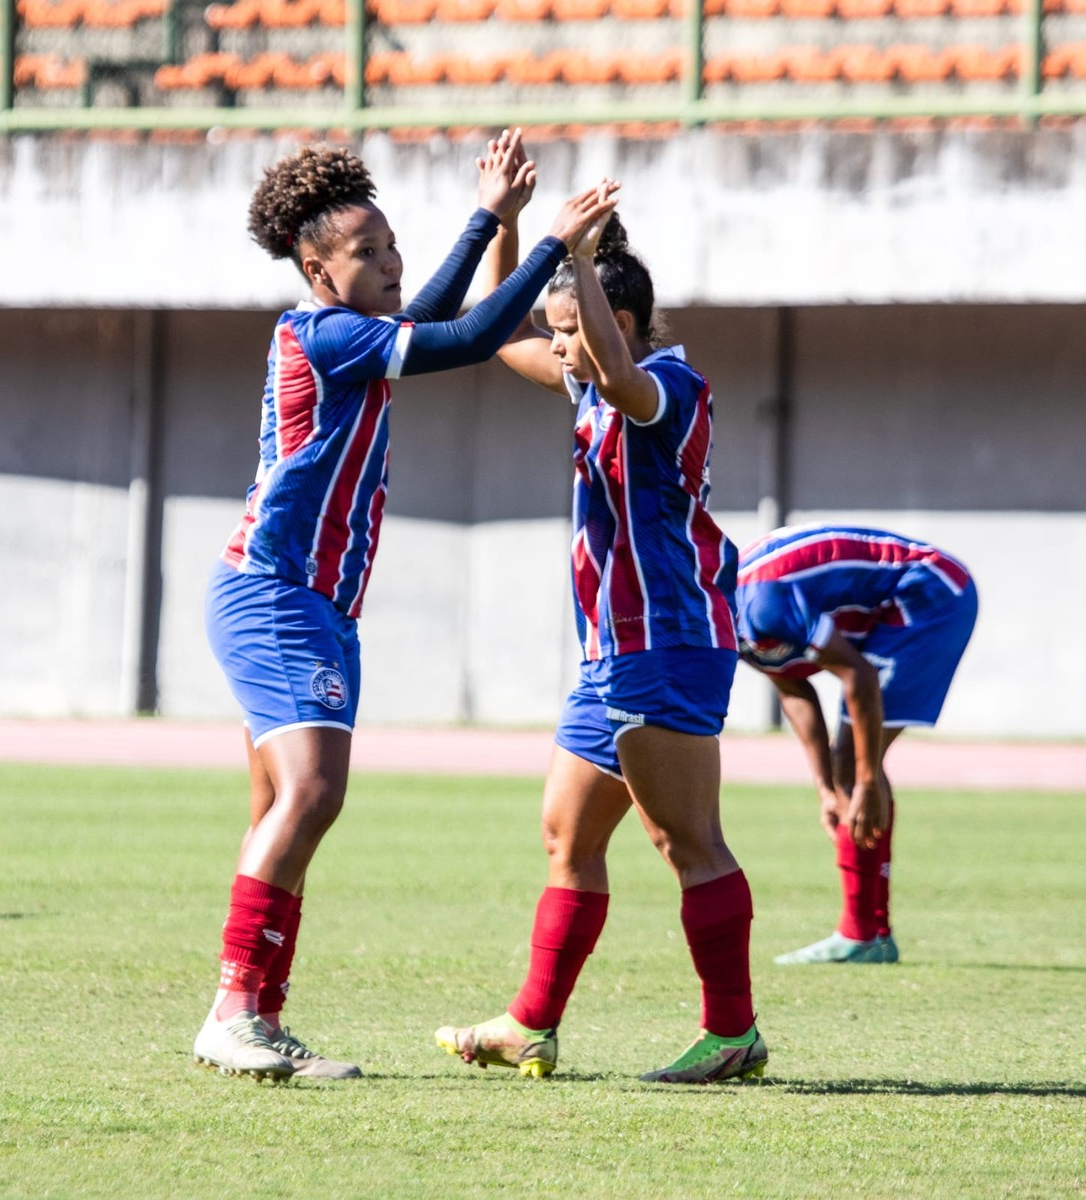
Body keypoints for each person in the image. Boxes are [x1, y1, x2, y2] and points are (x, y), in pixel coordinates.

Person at [195, 132, 617, 1082]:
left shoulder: (348, 333)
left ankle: (254, 1014)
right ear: (317, 269)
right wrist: (544, 242)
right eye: (371, 253)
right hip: (278, 593)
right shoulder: (326, 332)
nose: (393, 263)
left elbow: (434, 317)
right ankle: (233, 1010)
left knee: (283, 804)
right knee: (310, 794)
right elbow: (465, 338)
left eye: (394, 245)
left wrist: (493, 221)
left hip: (306, 601)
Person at [435, 176, 766, 1085]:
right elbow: (497, 332)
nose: (559, 344)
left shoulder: (665, 382)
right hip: (612, 655)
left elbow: (619, 375)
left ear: (616, 316)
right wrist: (506, 222)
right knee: (567, 838)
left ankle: (732, 1032)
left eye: (572, 324)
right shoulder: (586, 376)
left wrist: (576, 254)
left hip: (671, 643)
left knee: (686, 840)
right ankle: (531, 1024)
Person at [735, 522, 978, 964]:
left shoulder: (758, 607)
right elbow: (793, 688)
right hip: (899, 598)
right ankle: (871, 933)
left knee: (855, 763)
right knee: (845, 768)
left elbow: (858, 674)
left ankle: (863, 934)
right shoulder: (723, 615)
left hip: (929, 592)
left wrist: (863, 780)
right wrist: (827, 789)